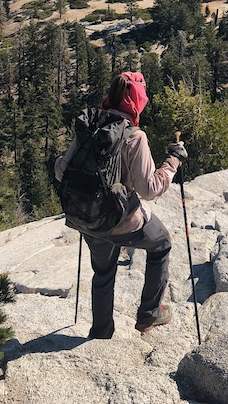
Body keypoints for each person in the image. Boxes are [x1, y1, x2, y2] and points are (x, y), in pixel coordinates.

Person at [55, 71, 187, 339]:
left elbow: (60, 170)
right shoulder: (134, 137)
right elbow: (150, 189)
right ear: (137, 101)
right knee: (161, 244)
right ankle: (149, 315)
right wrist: (172, 162)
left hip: (88, 218)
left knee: (103, 272)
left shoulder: (90, 124)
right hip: (122, 221)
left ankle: (101, 332)